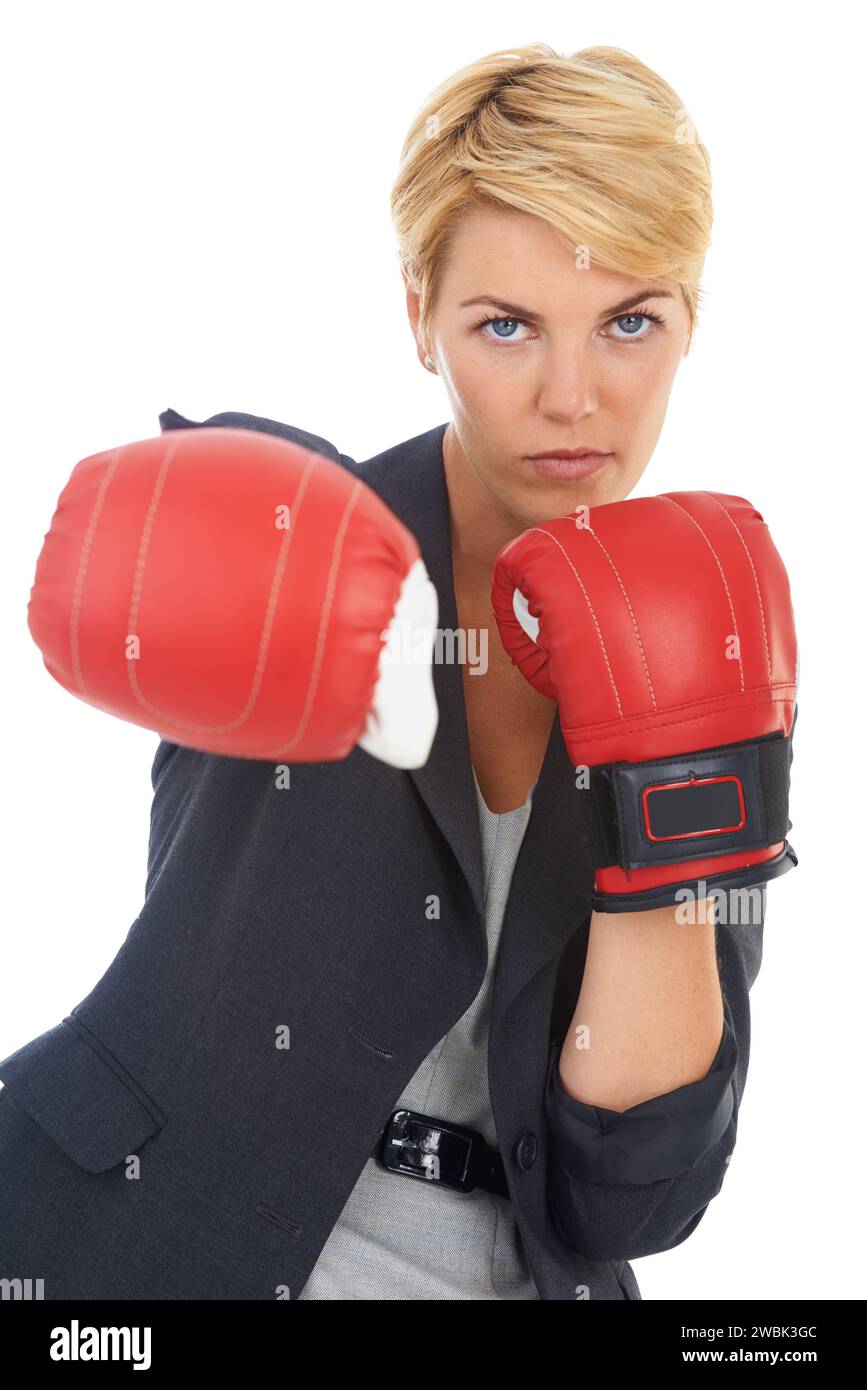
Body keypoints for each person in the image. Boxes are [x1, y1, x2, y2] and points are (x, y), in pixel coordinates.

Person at [0, 42, 796, 1301]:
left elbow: (635, 1191)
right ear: (418, 316)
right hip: (138, 1256)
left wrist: (673, 769)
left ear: (694, 322)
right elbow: (152, 546)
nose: (573, 396)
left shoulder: (711, 635)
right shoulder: (297, 527)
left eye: (631, 321)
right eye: (507, 325)